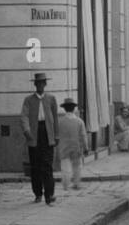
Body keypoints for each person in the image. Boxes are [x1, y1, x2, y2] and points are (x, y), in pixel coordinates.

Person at [20, 72, 58, 205]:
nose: (40, 85)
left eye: (43, 83)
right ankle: (37, 194)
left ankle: (49, 195)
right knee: (35, 167)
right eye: (38, 83)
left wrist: (56, 135)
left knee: (47, 166)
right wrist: (27, 130)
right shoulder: (28, 100)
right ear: (35, 84)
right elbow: (24, 116)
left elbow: (55, 118)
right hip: (34, 135)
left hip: (48, 134)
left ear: (45, 84)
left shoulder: (51, 99)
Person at [57, 98, 89, 191]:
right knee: (77, 166)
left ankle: (65, 185)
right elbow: (83, 136)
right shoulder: (79, 121)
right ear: (74, 108)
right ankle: (77, 184)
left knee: (65, 167)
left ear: (64, 109)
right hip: (76, 147)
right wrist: (86, 148)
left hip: (64, 147)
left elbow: (57, 135)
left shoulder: (60, 122)